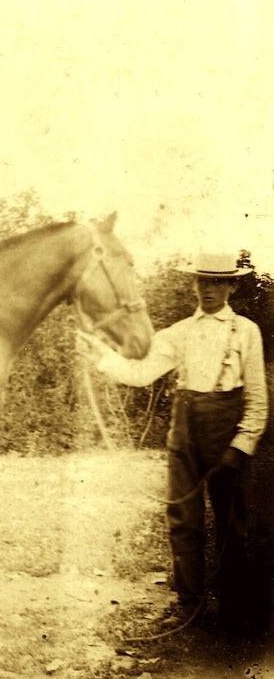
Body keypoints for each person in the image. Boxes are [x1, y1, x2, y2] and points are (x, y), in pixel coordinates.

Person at [78, 252, 268, 633]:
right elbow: (139, 373)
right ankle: (188, 604)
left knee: (233, 523)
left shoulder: (246, 331)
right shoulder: (179, 332)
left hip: (227, 432)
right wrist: (101, 357)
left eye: (217, 282)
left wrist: (241, 445)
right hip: (185, 433)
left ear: (232, 286)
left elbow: (258, 398)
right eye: (202, 281)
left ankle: (234, 610)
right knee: (183, 518)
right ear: (193, 284)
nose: (208, 289)